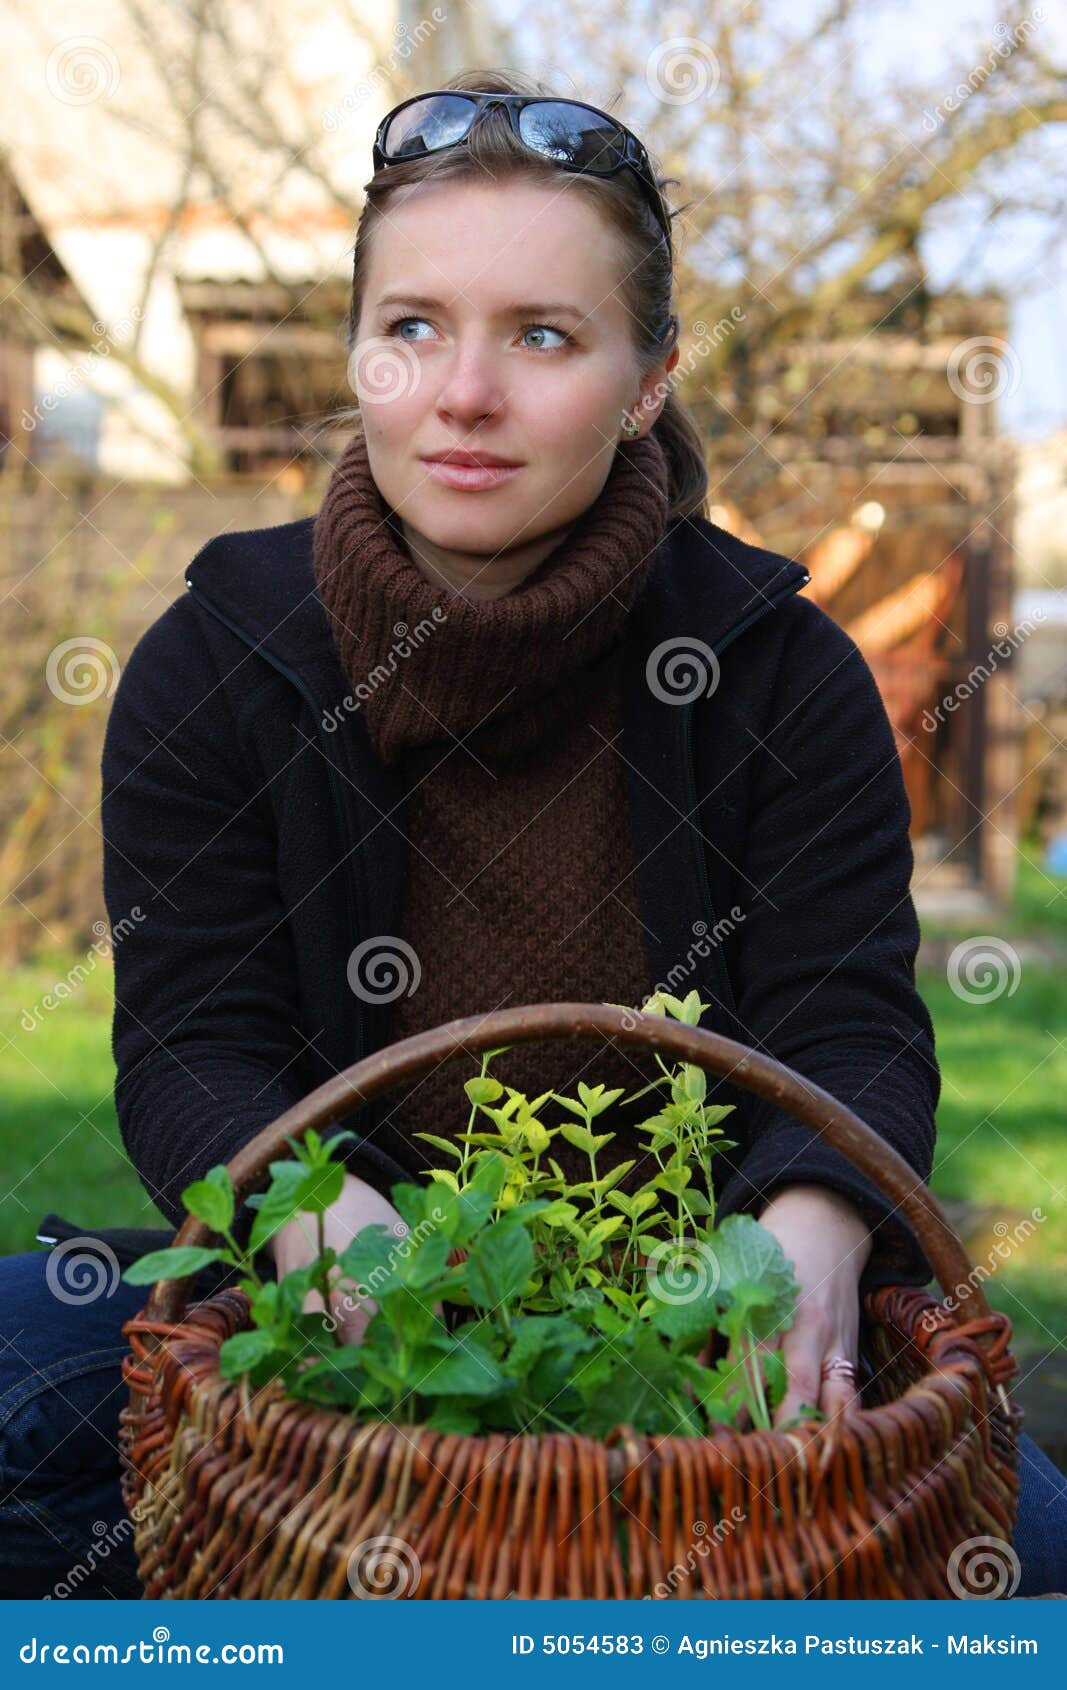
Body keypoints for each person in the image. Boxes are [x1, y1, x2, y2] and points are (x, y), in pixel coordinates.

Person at [2, 68, 1064, 1600]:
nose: (464, 394)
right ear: (360, 352)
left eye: (544, 337)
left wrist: (815, 1229)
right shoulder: (219, 661)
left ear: (648, 382)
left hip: (695, 1325)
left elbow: (851, 1022)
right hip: (317, 1287)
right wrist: (334, 1240)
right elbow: (190, 1050)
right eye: (413, 327)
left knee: (1027, 1578)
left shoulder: (777, 668)